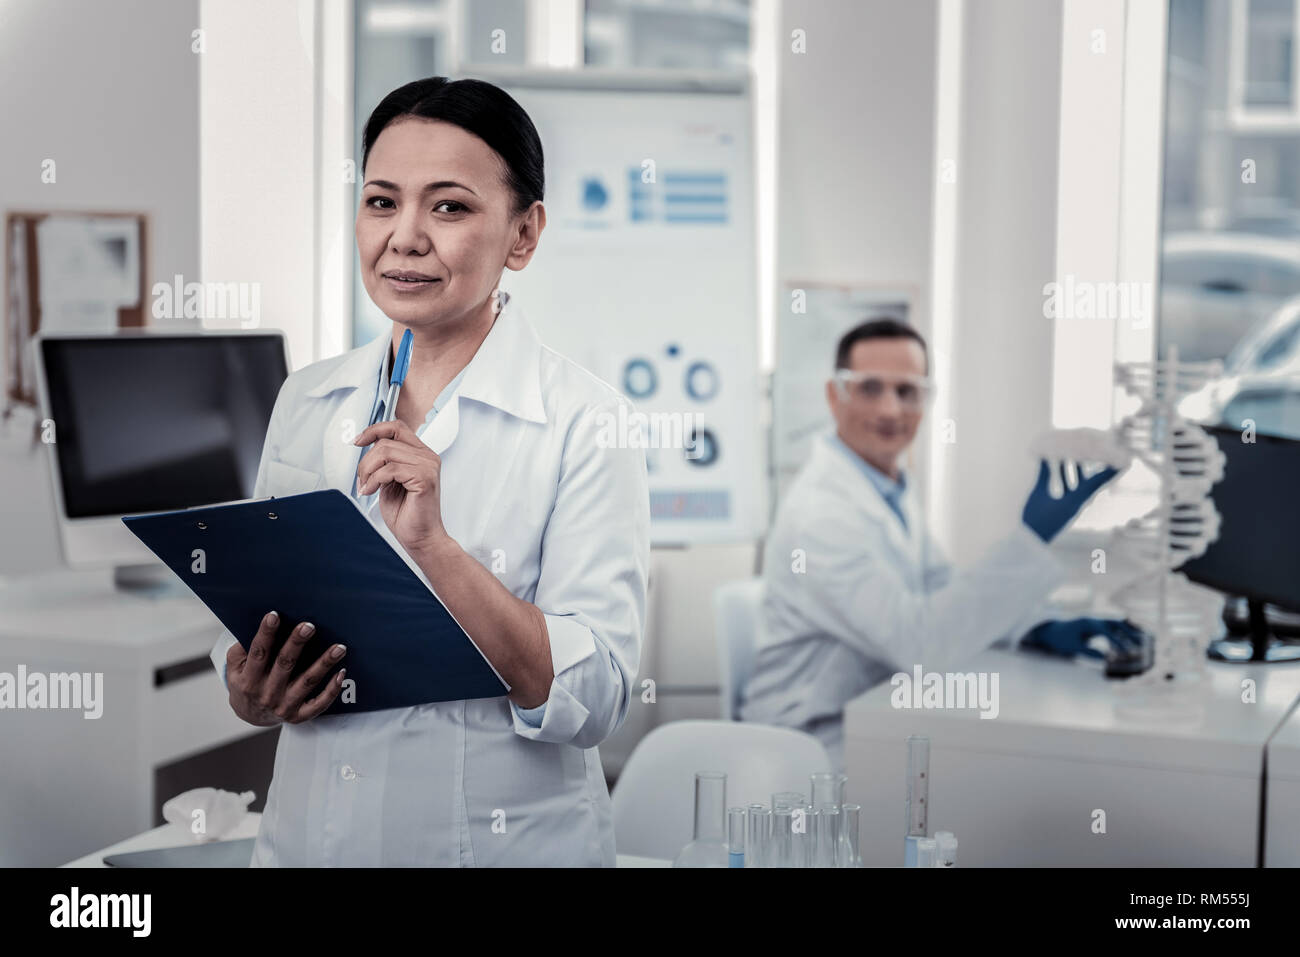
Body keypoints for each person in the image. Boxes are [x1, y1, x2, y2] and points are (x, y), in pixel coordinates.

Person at [207, 76, 650, 866]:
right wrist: (249, 686)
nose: (405, 236)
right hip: (311, 842)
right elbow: (253, 616)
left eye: (448, 206)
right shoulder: (309, 398)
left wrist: (438, 550)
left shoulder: (587, 420)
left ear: (523, 234)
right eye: (382, 201)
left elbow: (595, 698)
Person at [739, 318, 1137, 768]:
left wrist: (1036, 628)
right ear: (835, 396)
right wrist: (1033, 538)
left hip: (874, 718)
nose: (891, 410)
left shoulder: (887, 487)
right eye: (870, 388)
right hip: (811, 749)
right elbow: (919, 644)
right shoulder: (820, 516)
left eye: (907, 391)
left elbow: (941, 589)